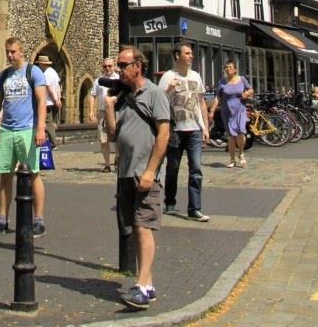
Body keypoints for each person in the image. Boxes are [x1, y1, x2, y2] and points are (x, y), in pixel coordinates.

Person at [105, 45, 171, 311]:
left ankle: (141, 286)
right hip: (125, 172)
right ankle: (149, 284)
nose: (119, 70)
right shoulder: (122, 97)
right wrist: (109, 106)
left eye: (123, 65)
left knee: (144, 227)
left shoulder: (155, 94)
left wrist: (151, 171)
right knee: (132, 227)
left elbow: (164, 134)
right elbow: (112, 134)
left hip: (145, 173)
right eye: (118, 65)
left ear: (138, 66)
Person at [0, 36, 47, 238]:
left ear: (21, 51)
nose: (10, 55)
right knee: (5, 176)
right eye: (7, 52)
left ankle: (38, 221)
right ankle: (2, 220)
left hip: (27, 129)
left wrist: (41, 128)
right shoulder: (3, 76)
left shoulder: (33, 71)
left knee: (33, 174)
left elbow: (42, 100)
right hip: (7, 130)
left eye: (13, 51)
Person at [158, 44, 210, 221]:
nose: (191, 56)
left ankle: (194, 208)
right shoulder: (168, 76)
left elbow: (201, 103)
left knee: (196, 169)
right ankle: (170, 202)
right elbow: (159, 104)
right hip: (175, 130)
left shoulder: (196, 76)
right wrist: (168, 90)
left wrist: (205, 127)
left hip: (194, 129)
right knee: (173, 169)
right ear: (177, 56)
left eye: (191, 54)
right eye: (187, 53)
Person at [209, 60, 253, 167]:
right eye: (226, 67)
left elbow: (251, 90)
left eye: (230, 67)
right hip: (227, 111)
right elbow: (218, 97)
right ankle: (232, 159)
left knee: (241, 132)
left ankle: (241, 153)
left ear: (235, 69)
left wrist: (246, 93)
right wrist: (212, 110)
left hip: (240, 110)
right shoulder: (222, 82)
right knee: (231, 136)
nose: (228, 69)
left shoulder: (242, 79)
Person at [90, 58, 118, 171]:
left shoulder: (119, 79)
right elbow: (93, 95)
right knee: (103, 139)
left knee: (118, 138)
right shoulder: (99, 80)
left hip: (116, 111)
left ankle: (118, 159)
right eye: (105, 66)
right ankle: (107, 164)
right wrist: (91, 110)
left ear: (113, 66)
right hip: (102, 112)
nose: (107, 68)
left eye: (110, 66)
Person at [35, 54, 62, 147]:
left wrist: (55, 100)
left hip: (48, 102)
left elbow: (49, 88)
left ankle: (53, 142)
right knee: (52, 122)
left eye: (39, 64)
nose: (38, 67)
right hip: (54, 101)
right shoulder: (54, 72)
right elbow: (58, 86)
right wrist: (59, 98)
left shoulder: (45, 74)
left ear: (42, 64)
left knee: (48, 122)